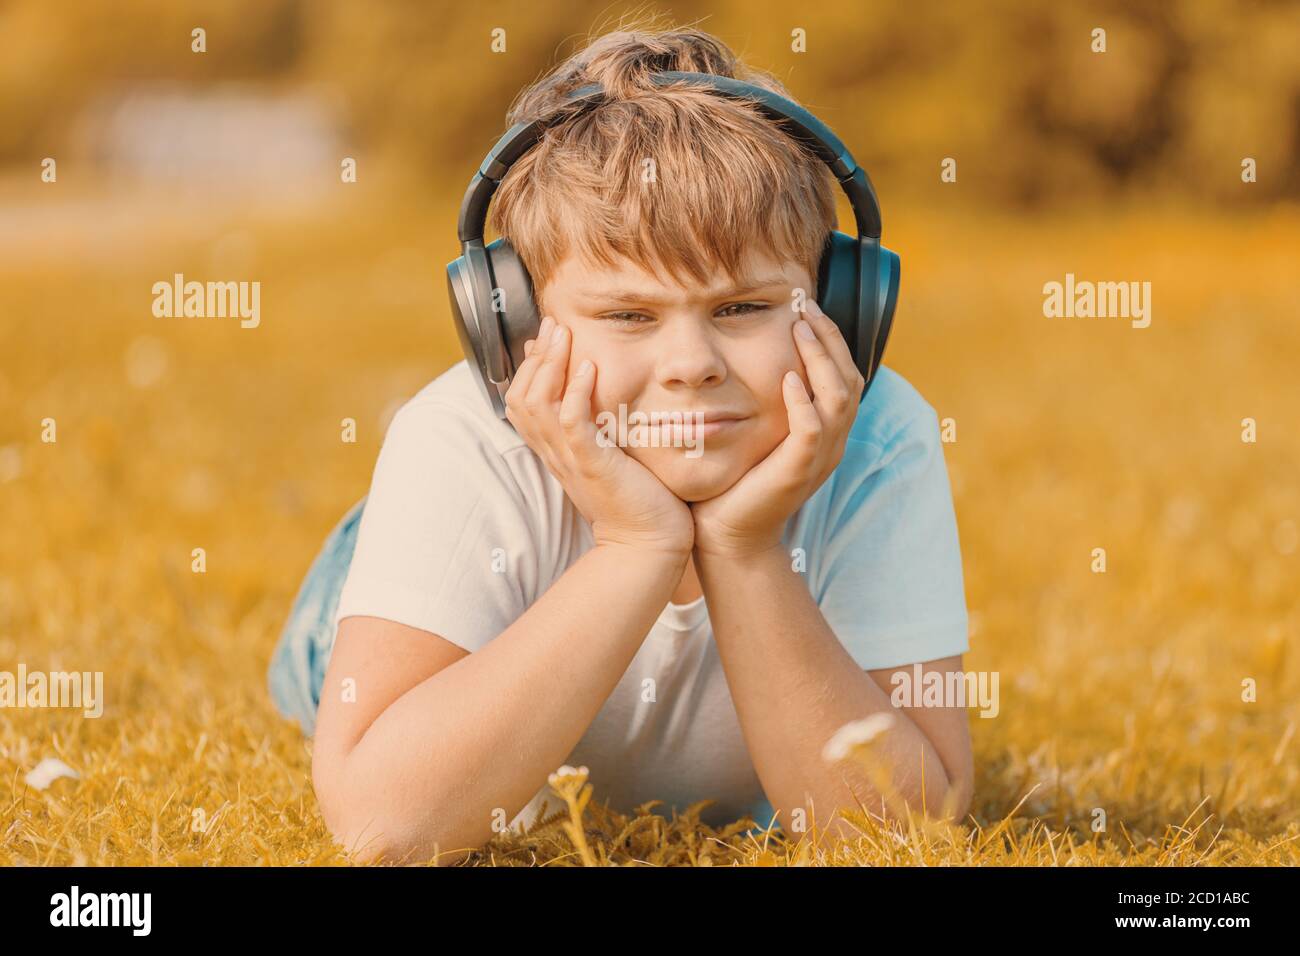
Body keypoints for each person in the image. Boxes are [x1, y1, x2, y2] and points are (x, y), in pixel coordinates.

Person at [267, 25, 973, 865]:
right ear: (515, 328)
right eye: (628, 316)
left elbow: (909, 829)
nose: (690, 366)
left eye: (743, 309)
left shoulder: (879, 433)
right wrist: (638, 542)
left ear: (844, 310)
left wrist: (743, 551)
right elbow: (387, 829)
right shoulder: (458, 437)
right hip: (449, 598)